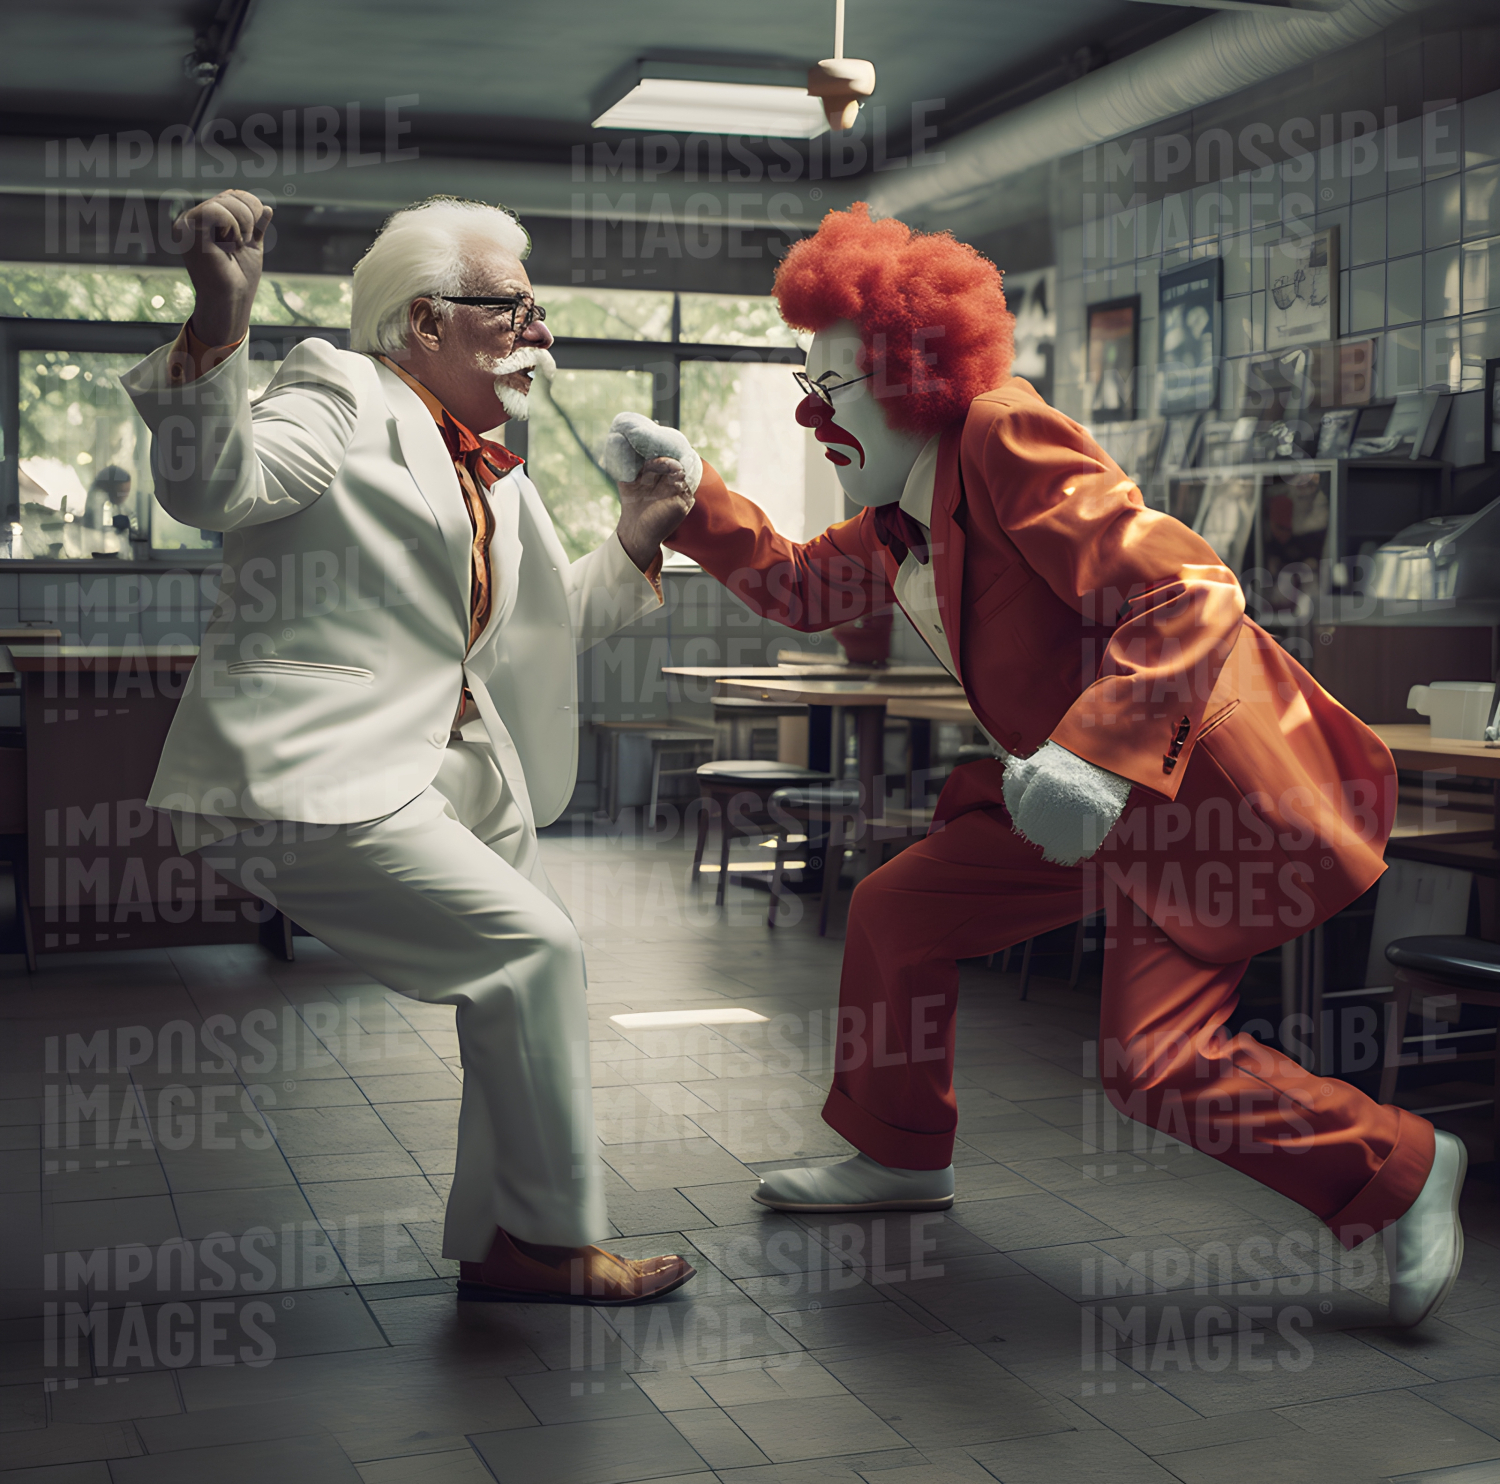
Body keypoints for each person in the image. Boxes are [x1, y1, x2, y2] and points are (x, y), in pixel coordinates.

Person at [610, 203, 1465, 1329]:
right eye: (803, 387)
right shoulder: (899, 515)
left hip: (1188, 800)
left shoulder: (1002, 437)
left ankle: (1402, 1172)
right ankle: (903, 1152)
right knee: (898, 910)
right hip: (1070, 800)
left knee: (1153, 1065)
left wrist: (1095, 756)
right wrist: (695, 493)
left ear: (918, 371)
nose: (817, 415)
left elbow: (1188, 590)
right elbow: (801, 588)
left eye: (837, 388)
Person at [122, 189, 697, 1306]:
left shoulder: (493, 470)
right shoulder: (339, 386)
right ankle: (547, 1239)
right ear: (427, 322)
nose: (540, 332)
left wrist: (631, 540)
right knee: (536, 956)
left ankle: (500, 1238)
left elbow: (525, 633)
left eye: (539, 310)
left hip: (467, 776)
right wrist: (217, 324)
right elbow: (214, 483)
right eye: (514, 309)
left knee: (519, 987)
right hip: (323, 768)